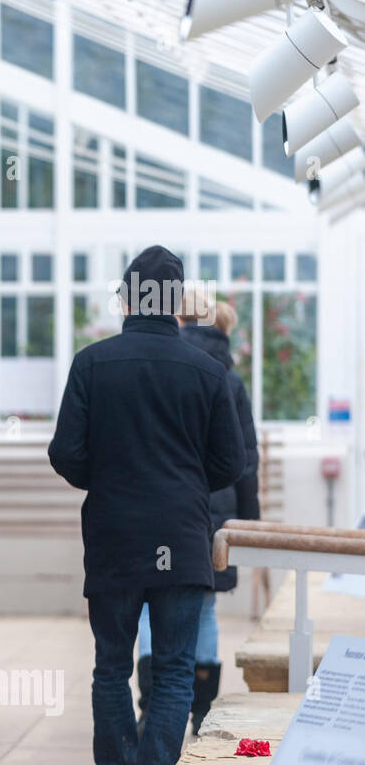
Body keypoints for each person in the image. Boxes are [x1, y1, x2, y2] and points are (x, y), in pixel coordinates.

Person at [48, 246, 247, 765]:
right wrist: (184, 487)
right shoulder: (209, 373)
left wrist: (107, 480)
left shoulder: (92, 364)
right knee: (176, 666)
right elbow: (229, 464)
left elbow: (66, 454)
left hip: (113, 533)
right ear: (177, 302)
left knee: (111, 665)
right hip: (182, 535)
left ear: (130, 297)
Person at [134, 293, 260, 736]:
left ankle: (151, 703)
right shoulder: (231, 379)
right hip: (216, 512)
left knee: (152, 606)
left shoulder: (163, 366)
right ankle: (202, 710)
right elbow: (245, 459)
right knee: (204, 610)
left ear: (180, 318)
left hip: (161, 506)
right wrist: (248, 522)